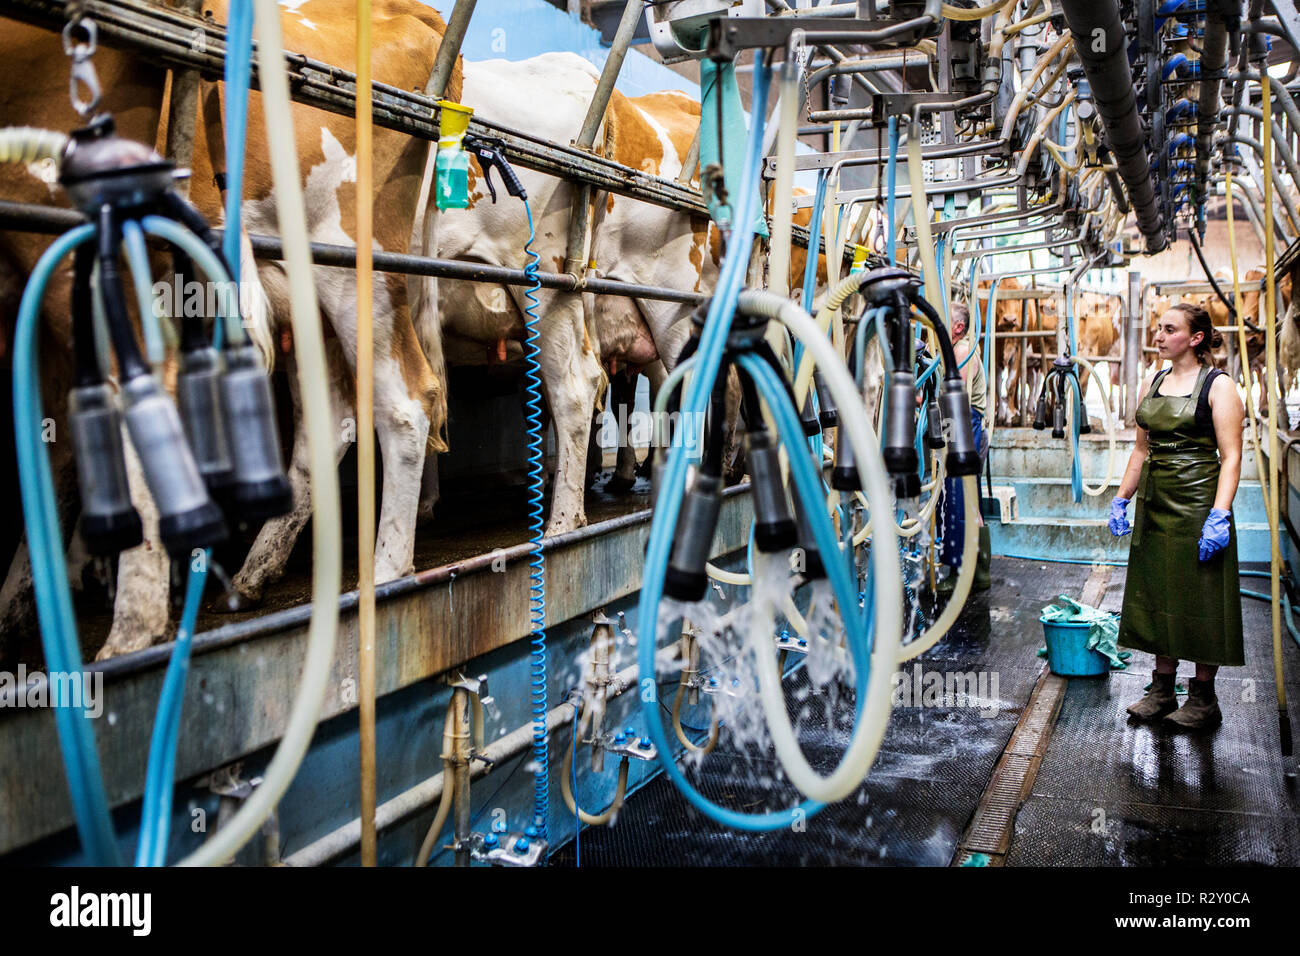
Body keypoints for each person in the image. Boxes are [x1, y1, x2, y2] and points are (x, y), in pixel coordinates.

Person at [1109, 302, 1245, 731]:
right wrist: (1122, 497)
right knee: (1156, 595)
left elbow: (1232, 456)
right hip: (1156, 502)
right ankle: (1161, 690)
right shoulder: (1155, 380)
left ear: (1196, 338)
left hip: (1198, 503)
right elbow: (1140, 450)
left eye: (1169, 329)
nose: (1159, 335)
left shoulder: (1218, 387)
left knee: (1202, 597)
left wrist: (1219, 515)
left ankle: (1203, 698)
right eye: (1158, 328)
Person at [938, 302, 991, 593]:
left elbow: (953, 393)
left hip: (964, 420)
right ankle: (979, 572)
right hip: (961, 421)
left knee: (958, 494)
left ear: (958, 326)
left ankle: (960, 571)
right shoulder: (959, 350)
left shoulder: (963, 350)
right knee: (967, 495)